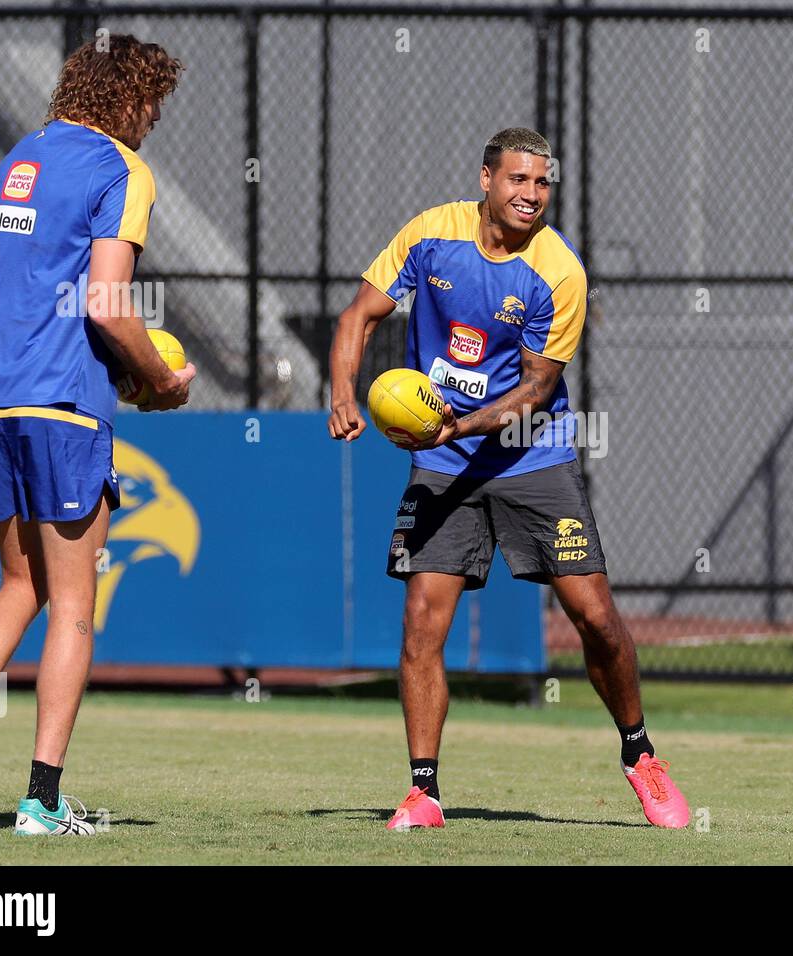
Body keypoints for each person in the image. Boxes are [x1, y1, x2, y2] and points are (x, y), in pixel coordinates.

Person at [328, 127, 690, 830]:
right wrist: (344, 389)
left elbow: (534, 390)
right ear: (487, 179)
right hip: (441, 465)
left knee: (595, 617)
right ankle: (425, 792)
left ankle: (639, 753)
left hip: (530, 455)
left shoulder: (559, 272)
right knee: (421, 625)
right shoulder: (432, 234)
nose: (531, 194)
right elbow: (358, 315)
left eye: (542, 183)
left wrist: (455, 426)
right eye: (518, 180)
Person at [0, 36, 195, 836]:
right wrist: (160, 377)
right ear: (130, 96)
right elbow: (109, 306)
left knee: (22, 586)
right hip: (62, 405)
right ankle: (41, 801)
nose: (154, 119)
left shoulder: (22, 157)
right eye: (153, 102)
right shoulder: (123, 168)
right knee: (75, 602)